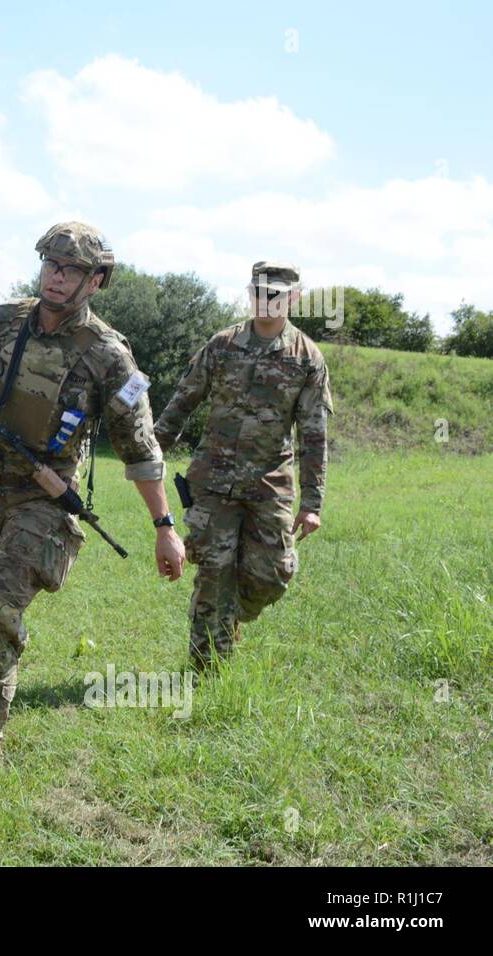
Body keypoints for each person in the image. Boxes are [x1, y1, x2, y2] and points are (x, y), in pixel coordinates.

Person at [0, 222, 185, 770]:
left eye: (72, 271)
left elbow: (140, 446)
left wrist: (165, 527)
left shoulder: (109, 356)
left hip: (45, 494)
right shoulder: (2, 324)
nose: (57, 279)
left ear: (96, 281)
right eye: (51, 266)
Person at [154, 261, 332, 670]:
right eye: (259, 292)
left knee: (272, 575)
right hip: (212, 483)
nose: (265, 301)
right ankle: (205, 671)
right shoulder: (222, 345)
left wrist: (313, 503)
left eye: (276, 294)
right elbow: (183, 401)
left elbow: (314, 434)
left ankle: (232, 616)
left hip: (269, 485)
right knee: (214, 574)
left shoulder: (307, 358)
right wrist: (153, 452)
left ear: (294, 298)